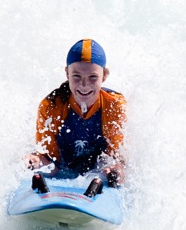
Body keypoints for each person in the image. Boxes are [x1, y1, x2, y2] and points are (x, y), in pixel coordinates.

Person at [24, 39, 127, 196]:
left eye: (93, 77)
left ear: (104, 76)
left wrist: (116, 171)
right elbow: (52, 164)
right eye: (76, 76)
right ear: (67, 73)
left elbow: (117, 158)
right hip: (63, 170)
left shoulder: (114, 105)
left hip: (97, 172)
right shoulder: (51, 106)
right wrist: (37, 162)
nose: (84, 85)